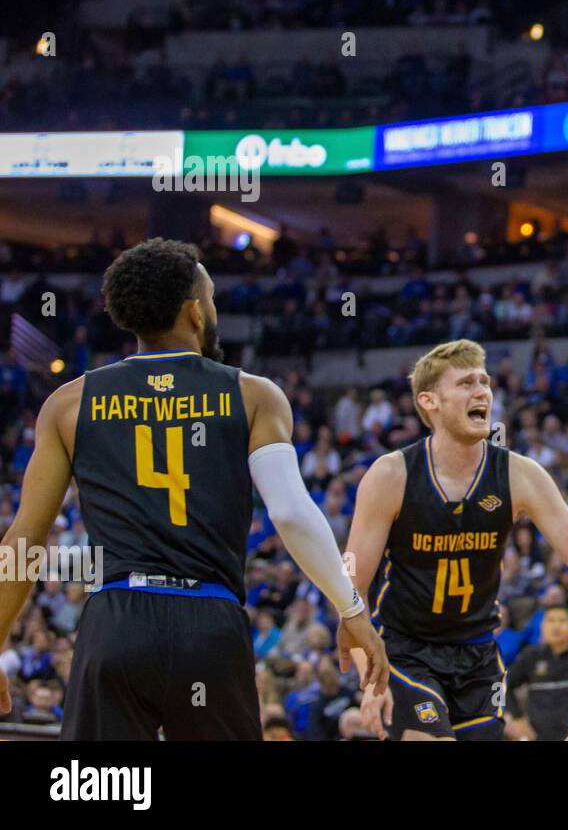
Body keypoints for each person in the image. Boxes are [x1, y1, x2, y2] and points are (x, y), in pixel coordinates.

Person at [0, 239, 387, 738]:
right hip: (209, 623)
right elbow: (290, 514)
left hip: (116, 623)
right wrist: (350, 607)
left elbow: (25, 540)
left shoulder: (69, 403)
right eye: (212, 299)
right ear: (195, 312)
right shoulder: (253, 394)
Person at [345, 340, 568, 740]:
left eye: (485, 382)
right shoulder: (390, 476)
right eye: (466, 383)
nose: (482, 391)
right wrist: (370, 677)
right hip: (405, 650)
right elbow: (349, 590)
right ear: (429, 401)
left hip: (479, 656)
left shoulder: (520, 475)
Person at [506, 605, 568, 741]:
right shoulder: (530, 655)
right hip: (538, 736)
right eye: (551, 620)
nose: (556, 626)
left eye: (562, 621)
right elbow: (504, 684)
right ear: (542, 626)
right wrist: (518, 718)